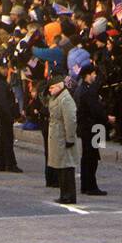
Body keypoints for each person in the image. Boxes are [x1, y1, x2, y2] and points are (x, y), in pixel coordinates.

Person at [47, 75, 79, 204]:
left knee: (66, 167)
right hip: (56, 136)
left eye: (52, 87)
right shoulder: (56, 98)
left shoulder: (65, 99)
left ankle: (69, 195)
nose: (50, 90)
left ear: (60, 86)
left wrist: (70, 138)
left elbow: (70, 120)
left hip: (62, 136)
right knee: (60, 167)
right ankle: (63, 193)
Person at [76, 63, 107, 194]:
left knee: (89, 156)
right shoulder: (87, 91)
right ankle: (91, 186)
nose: (95, 76)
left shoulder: (83, 89)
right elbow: (95, 109)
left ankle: (86, 185)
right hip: (92, 127)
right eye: (93, 73)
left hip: (90, 127)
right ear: (88, 75)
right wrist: (107, 118)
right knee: (91, 157)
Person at [0, 58, 21, 172]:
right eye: (3, 68)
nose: (6, 70)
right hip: (2, 114)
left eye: (7, 68)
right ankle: (10, 164)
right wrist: (10, 115)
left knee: (2, 138)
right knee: (7, 139)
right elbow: (3, 102)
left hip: (0, 113)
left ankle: (2, 162)